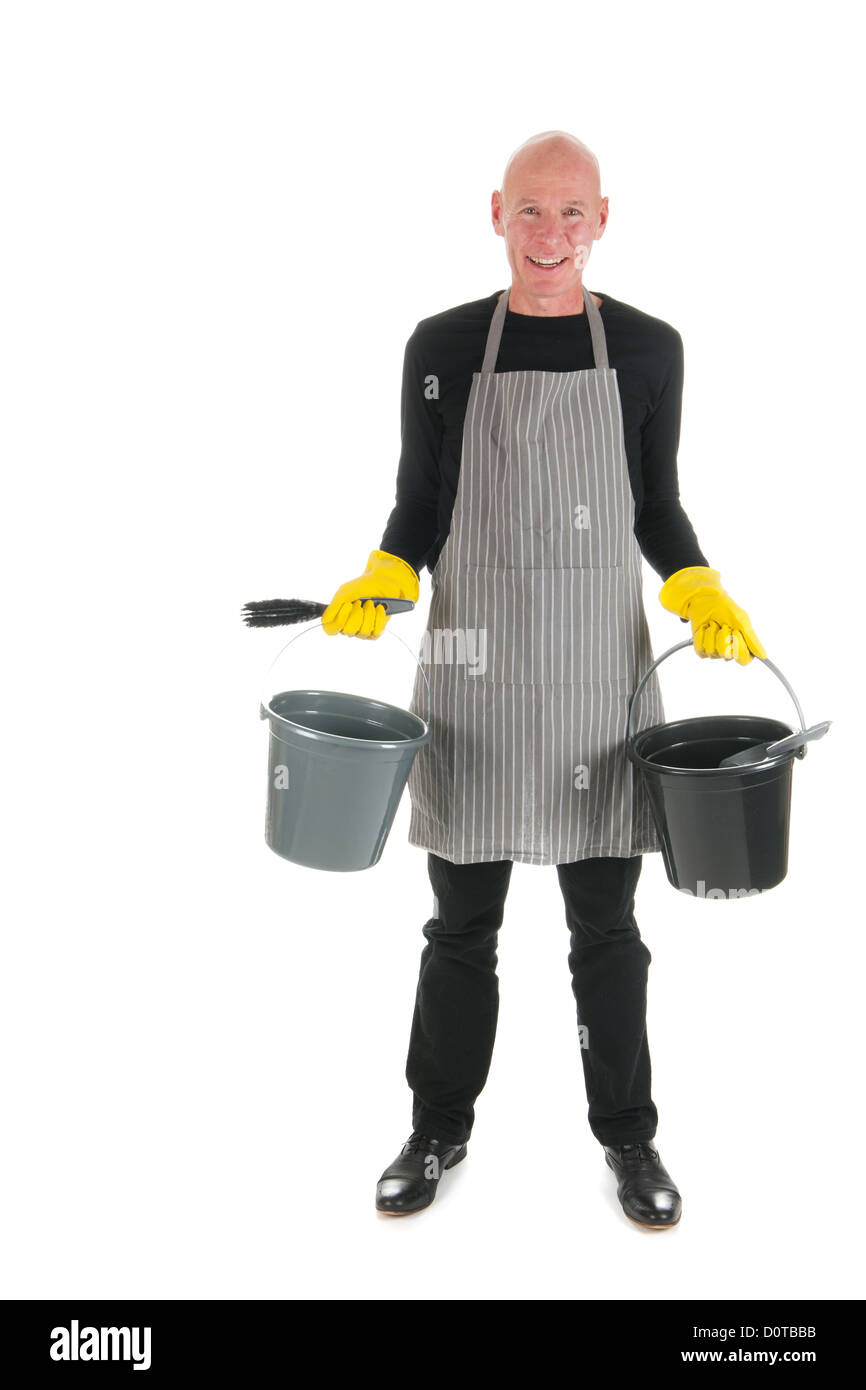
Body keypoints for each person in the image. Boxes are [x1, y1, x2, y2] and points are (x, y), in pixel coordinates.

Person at [322, 131, 765, 1229]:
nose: (550, 236)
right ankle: (435, 1130)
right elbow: (419, 510)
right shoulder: (440, 345)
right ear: (494, 213)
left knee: (605, 930)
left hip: (593, 678)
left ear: (602, 219)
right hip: (472, 675)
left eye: (571, 214)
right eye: (531, 211)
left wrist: (698, 584)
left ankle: (629, 1139)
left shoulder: (649, 350)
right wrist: (384, 572)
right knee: (458, 927)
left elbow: (651, 505)